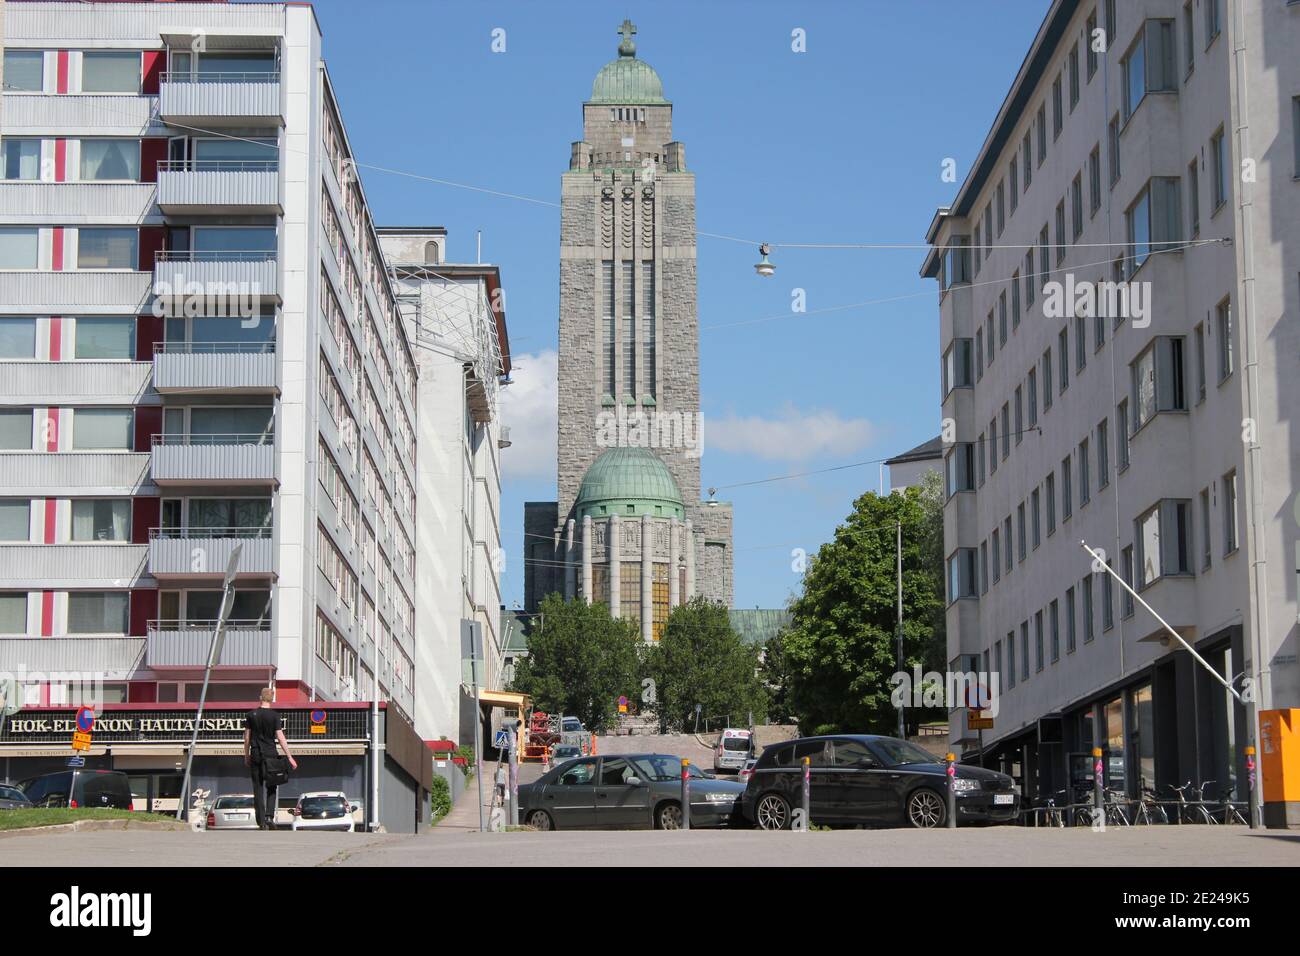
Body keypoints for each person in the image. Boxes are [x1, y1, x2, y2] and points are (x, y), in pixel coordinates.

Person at [243, 687, 298, 830]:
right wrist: (289, 757)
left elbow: (247, 737)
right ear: (272, 699)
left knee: (257, 787)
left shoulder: (251, 715)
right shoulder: (275, 716)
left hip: (255, 753)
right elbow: (280, 737)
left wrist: (246, 755)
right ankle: (269, 817)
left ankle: (261, 821)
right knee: (272, 785)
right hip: (271, 755)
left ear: (260, 697)